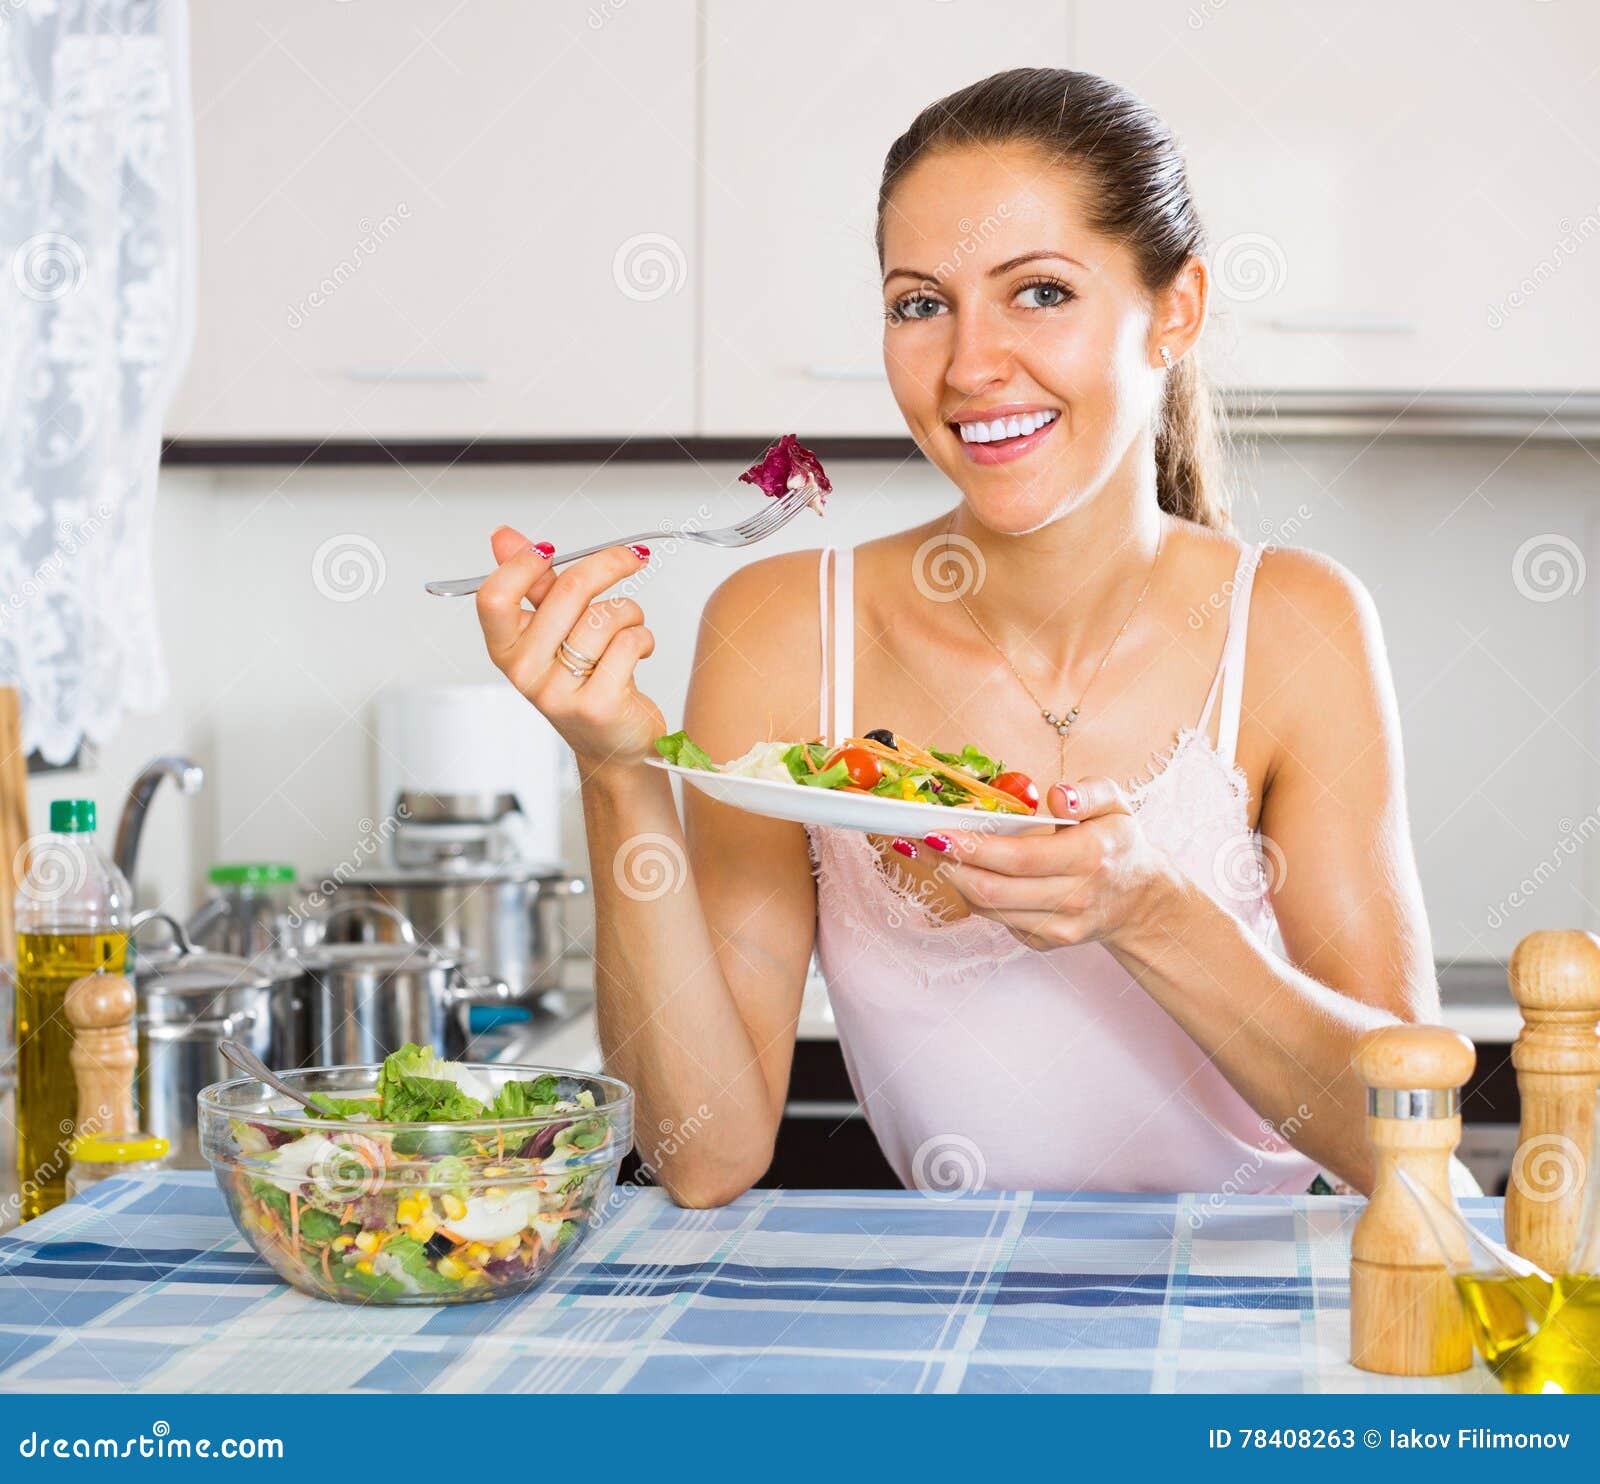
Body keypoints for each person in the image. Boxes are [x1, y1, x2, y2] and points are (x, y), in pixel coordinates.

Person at [475, 68, 1437, 1202]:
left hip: (1241, 1331)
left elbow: (1403, 1143)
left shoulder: (1292, 623)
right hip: (943, 1334)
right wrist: (615, 766)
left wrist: (1152, 910)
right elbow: (705, 1154)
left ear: (1172, 310)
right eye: (920, 303)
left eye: (1037, 293)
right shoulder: (786, 629)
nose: (970, 366)